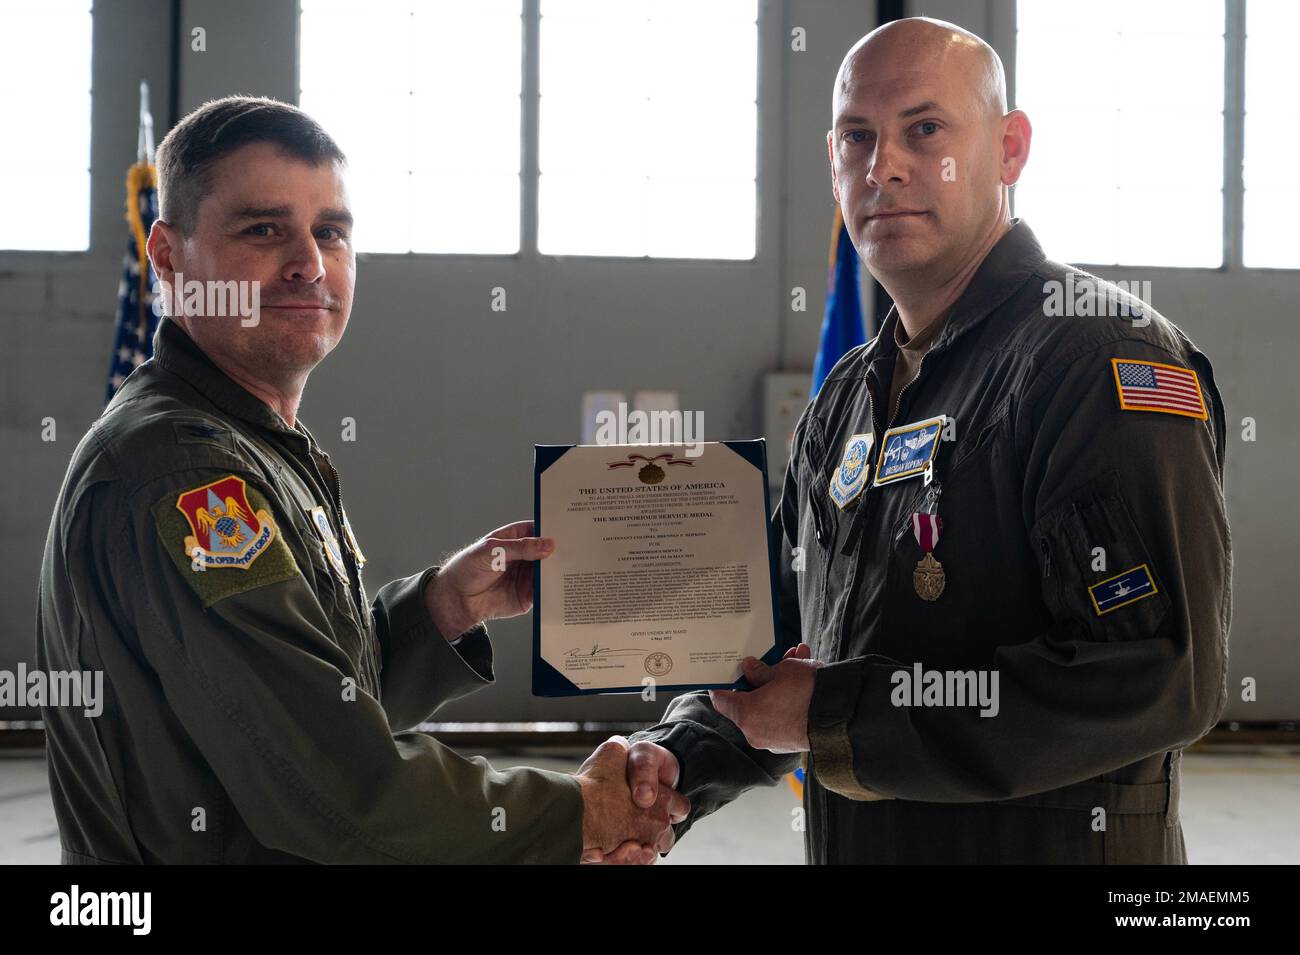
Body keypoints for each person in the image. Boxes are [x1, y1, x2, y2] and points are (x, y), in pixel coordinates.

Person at [621, 17, 1231, 864]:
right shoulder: (846, 400)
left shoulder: (1097, 360)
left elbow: (1157, 676)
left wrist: (837, 714)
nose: (886, 166)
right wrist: (676, 759)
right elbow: (772, 643)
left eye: (925, 129)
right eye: (857, 137)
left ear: (1010, 149)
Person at [35, 96, 685, 864]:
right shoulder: (185, 473)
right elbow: (336, 787)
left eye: (331, 232)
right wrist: (577, 814)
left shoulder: (256, 443)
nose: (309, 261)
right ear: (170, 258)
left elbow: (313, 699)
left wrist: (438, 608)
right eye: (264, 229)